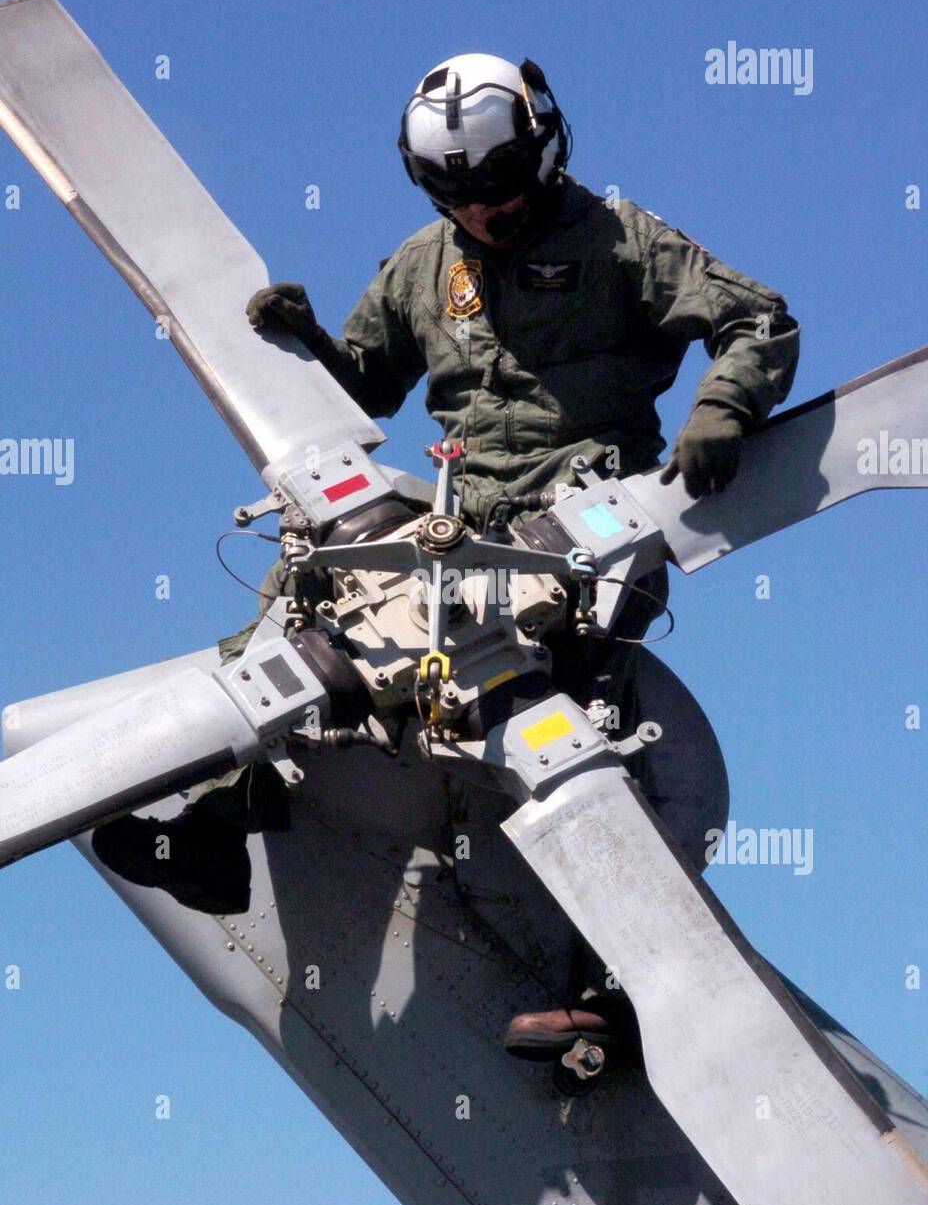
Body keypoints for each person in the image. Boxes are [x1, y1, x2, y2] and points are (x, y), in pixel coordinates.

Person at [95, 54, 799, 1059]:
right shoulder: (426, 266)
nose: (485, 213)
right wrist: (308, 346)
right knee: (309, 581)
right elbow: (369, 390)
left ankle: (616, 979)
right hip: (457, 525)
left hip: (592, 519)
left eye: (500, 187)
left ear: (545, 148)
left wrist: (724, 409)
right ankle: (219, 822)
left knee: (574, 729)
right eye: (459, 196)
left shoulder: (620, 239)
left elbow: (759, 319)